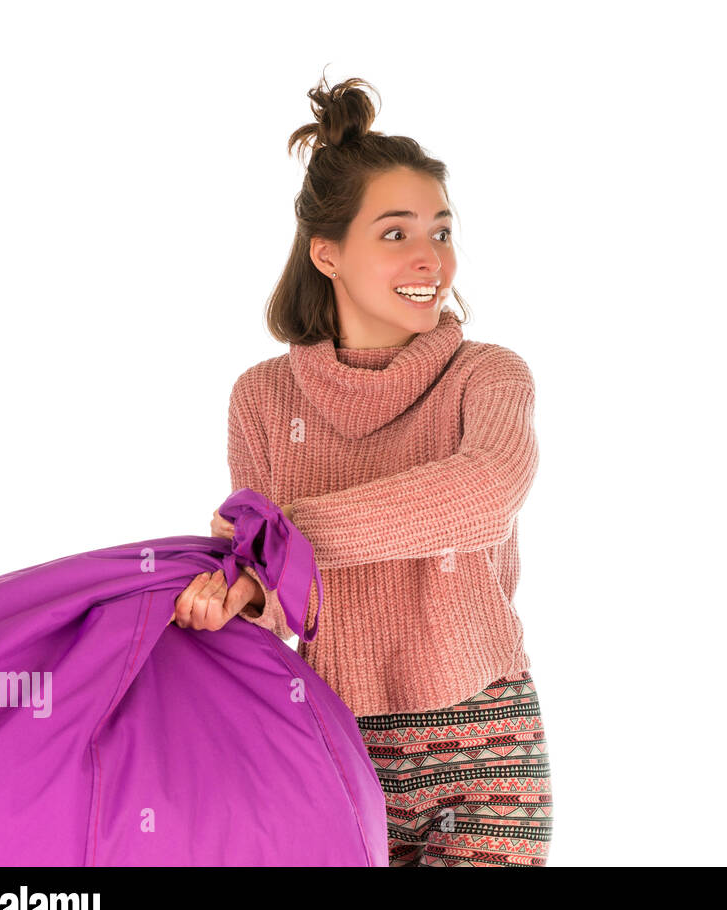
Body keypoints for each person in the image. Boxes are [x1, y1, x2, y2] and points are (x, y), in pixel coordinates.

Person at [172, 73, 551, 867]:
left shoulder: (488, 375)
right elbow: (273, 599)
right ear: (327, 253)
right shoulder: (262, 399)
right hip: (323, 743)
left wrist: (288, 536)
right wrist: (232, 598)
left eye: (442, 232)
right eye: (396, 234)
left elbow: (484, 494)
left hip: (487, 752)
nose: (432, 258)